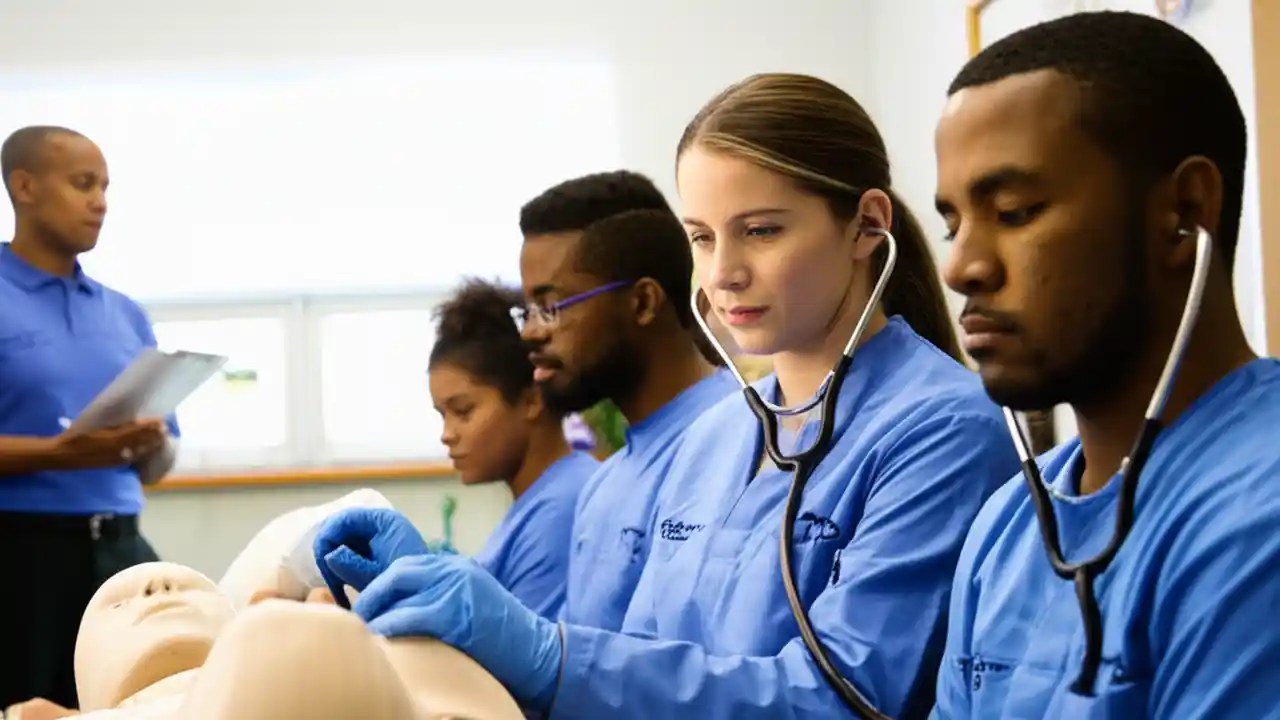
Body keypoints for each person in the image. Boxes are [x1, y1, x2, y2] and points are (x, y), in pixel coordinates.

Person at [311, 72, 1020, 719]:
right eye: (703, 239)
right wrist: (440, 590)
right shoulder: (717, 436)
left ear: (867, 225)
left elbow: (843, 699)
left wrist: (544, 652)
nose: (725, 272)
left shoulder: (943, 429)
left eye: (761, 231)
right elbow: (634, 663)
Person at [930, 12, 1280, 719]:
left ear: (1183, 211)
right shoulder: (1007, 527)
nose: (961, 265)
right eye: (953, 222)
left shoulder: (1260, 515)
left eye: (1015, 211)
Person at [0, 125, 180, 711]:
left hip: (122, 553)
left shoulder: (124, 313)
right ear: (23, 186)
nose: (99, 201)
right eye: (83, 184)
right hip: (22, 559)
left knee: (144, 703)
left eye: (104, 186)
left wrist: (147, 441)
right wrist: (60, 454)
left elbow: (158, 466)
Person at [515, 171, 736, 630]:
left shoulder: (743, 446)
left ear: (642, 303)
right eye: (528, 309)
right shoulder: (604, 483)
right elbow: (566, 661)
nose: (531, 331)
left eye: (551, 305)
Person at [427, 277, 598, 619]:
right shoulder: (538, 500)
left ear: (531, 400)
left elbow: (523, 664)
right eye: (442, 415)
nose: (447, 434)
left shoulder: (562, 509)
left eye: (463, 412)